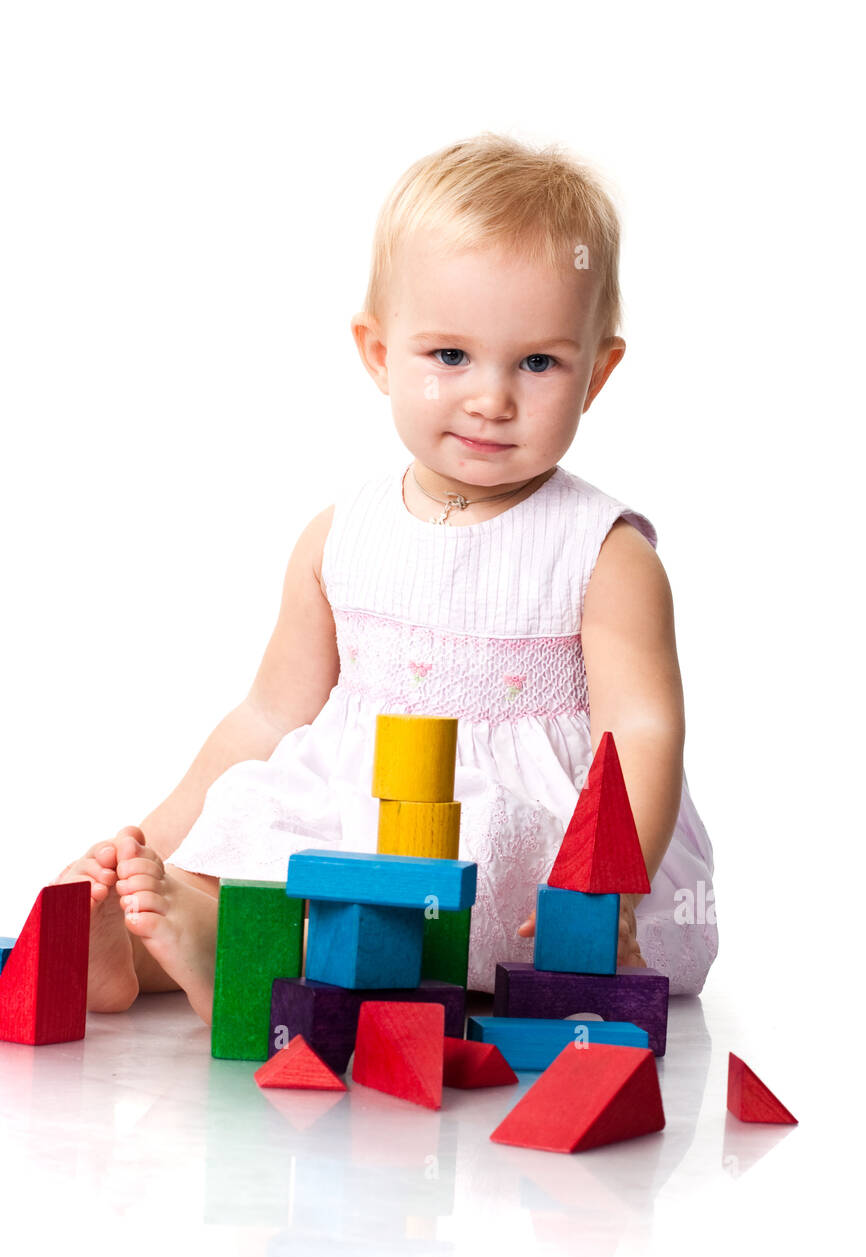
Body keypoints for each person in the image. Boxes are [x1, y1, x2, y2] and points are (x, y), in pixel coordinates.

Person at [56, 131, 717, 1022]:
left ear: (598, 372)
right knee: (264, 835)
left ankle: (240, 951)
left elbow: (640, 733)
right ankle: (141, 952)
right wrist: (148, 836)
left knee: (453, 881)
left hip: (516, 844)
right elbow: (267, 716)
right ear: (377, 352)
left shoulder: (603, 552)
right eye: (450, 356)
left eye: (538, 362)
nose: (492, 398)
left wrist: (608, 893)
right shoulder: (341, 535)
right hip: (358, 808)